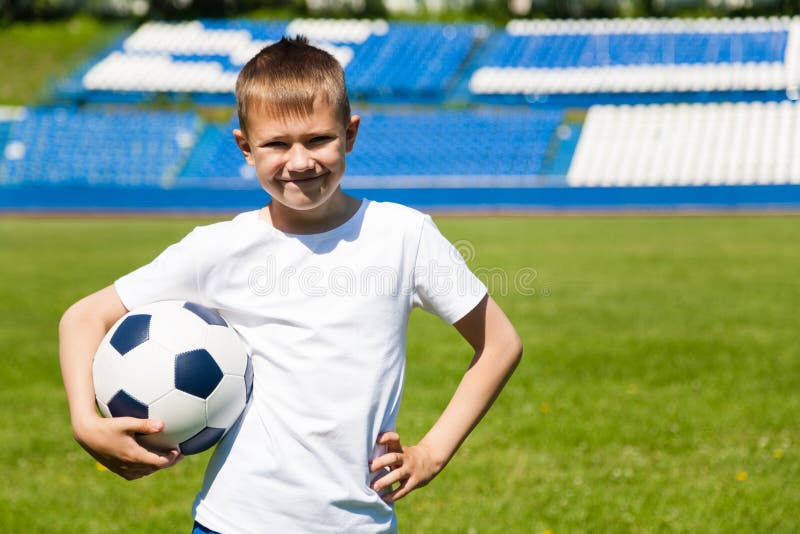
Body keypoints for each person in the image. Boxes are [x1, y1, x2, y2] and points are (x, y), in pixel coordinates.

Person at [59, 36, 522, 533]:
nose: (299, 162)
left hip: (358, 523)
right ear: (245, 147)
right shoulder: (218, 248)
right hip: (232, 521)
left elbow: (499, 344)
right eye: (276, 144)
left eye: (318, 139)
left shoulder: (404, 236)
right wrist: (86, 421)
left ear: (350, 134)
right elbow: (83, 317)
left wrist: (431, 452)